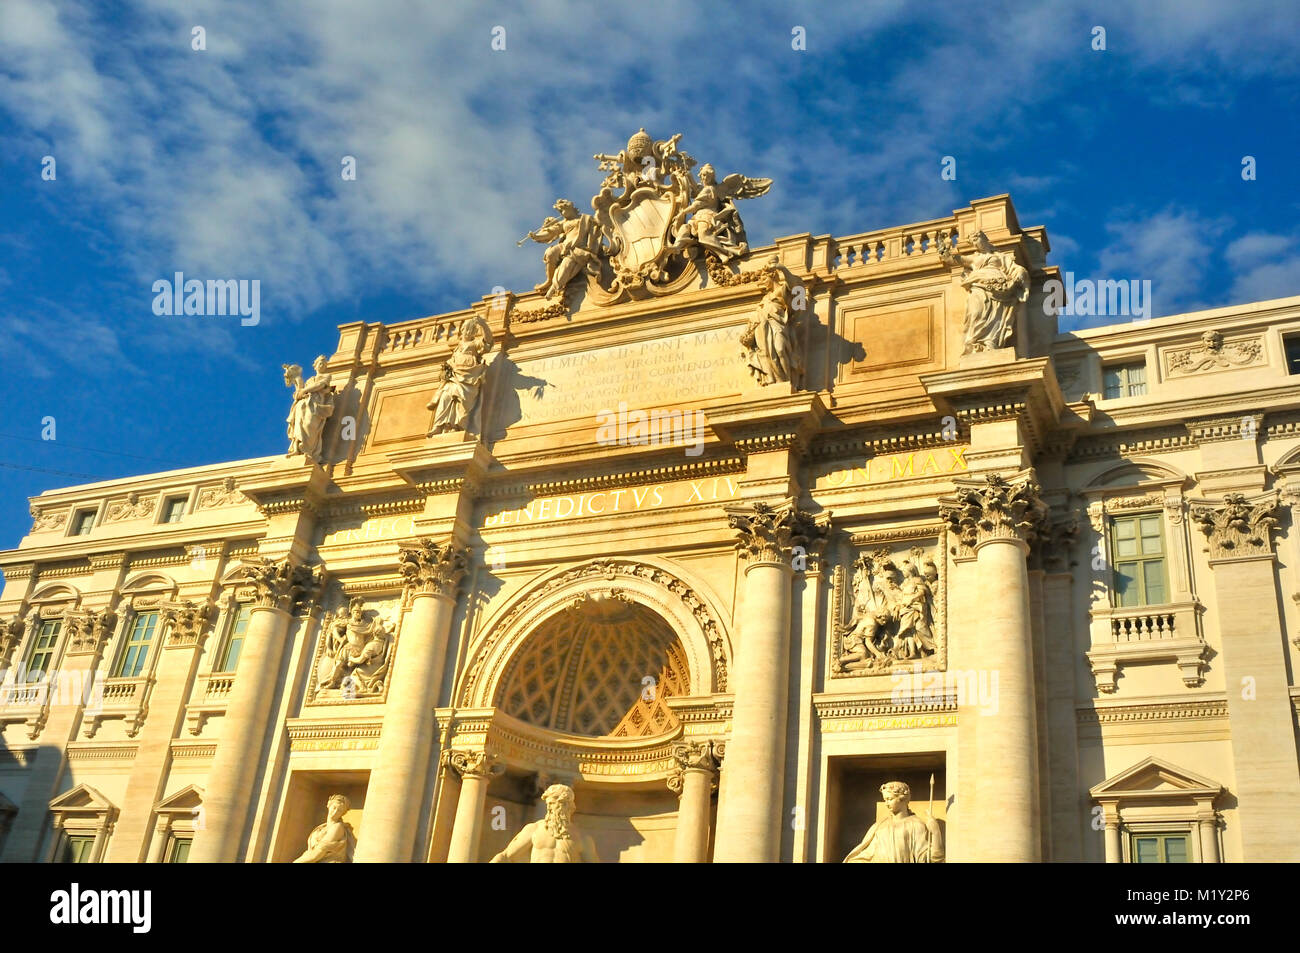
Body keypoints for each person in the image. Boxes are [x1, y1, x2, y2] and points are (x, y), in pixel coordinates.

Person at [490, 784, 600, 863]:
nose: (550, 808)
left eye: (554, 804)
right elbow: (506, 856)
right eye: (549, 804)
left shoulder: (582, 838)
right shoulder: (534, 829)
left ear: (568, 806)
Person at [844, 781, 944, 863]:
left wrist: (935, 833)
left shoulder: (916, 825)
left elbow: (929, 859)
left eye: (889, 799)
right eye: (885, 800)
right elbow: (868, 854)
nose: (886, 803)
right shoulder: (880, 826)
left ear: (902, 799)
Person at [293, 794, 355, 863]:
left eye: (339, 810)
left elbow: (319, 852)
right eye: (334, 808)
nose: (335, 812)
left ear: (343, 813)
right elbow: (312, 852)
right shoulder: (321, 828)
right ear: (329, 805)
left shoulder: (338, 827)